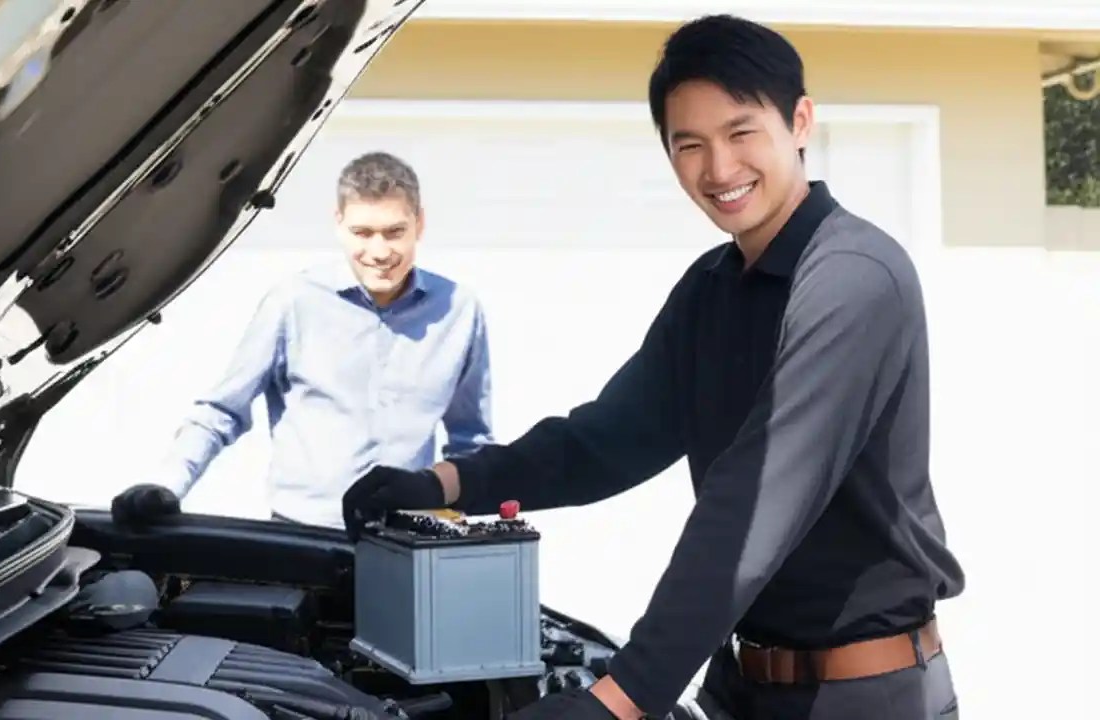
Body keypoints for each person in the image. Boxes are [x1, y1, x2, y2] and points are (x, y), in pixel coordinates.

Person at [340, 15, 964, 720]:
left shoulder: (853, 279)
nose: (719, 170)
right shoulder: (713, 289)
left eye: (740, 133)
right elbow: (603, 443)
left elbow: (754, 501)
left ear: (799, 121)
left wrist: (621, 699)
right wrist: (443, 483)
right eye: (689, 145)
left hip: (862, 697)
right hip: (742, 683)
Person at [112, 151, 494, 529]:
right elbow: (222, 412)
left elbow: (471, 443)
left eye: (394, 233)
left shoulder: (458, 310)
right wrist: (165, 488)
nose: (379, 252)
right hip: (300, 536)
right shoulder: (293, 302)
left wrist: (476, 542)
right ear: (338, 223)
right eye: (362, 233)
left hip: (407, 538)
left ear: (419, 224)